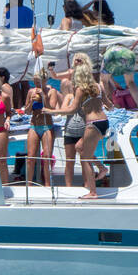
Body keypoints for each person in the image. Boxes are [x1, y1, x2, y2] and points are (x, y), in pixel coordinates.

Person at [55, 54, 109, 199]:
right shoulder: (98, 86)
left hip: (92, 124)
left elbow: (72, 109)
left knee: (84, 158)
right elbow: (109, 105)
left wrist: (52, 111)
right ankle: (102, 167)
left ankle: (93, 192)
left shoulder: (80, 89)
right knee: (79, 148)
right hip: (103, 122)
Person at [23, 69, 59, 186]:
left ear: (44, 81)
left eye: (39, 82)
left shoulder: (51, 91)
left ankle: (47, 184)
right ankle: (29, 185)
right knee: (30, 157)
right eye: (35, 82)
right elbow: (27, 112)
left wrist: (44, 97)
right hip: (34, 125)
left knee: (47, 157)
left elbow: (52, 110)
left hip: (46, 126)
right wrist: (30, 103)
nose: (37, 85)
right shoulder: (30, 92)